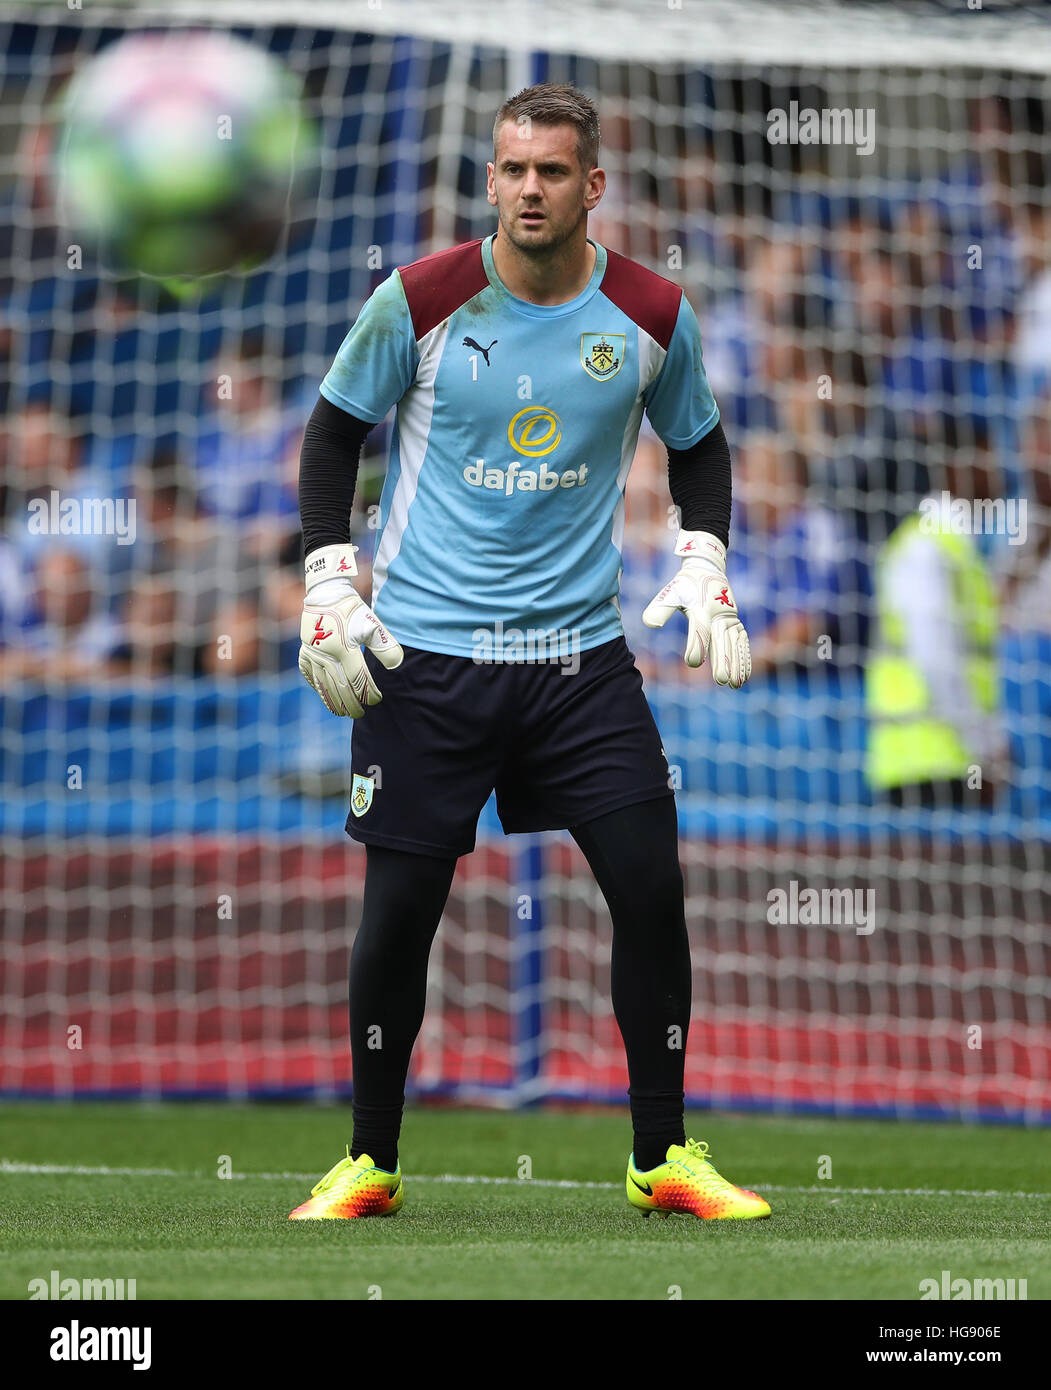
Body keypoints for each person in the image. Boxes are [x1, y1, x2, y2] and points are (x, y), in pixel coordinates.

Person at [289, 84, 769, 1223]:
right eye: (511, 169)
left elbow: (700, 446)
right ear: (491, 178)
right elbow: (333, 432)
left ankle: (662, 1154)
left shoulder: (651, 311)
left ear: (592, 184)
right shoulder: (418, 299)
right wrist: (327, 577)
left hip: (579, 664)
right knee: (398, 914)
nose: (528, 189)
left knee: (650, 890)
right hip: (426, 661)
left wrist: (704, 556)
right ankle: (369, 1162)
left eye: (551, 171)